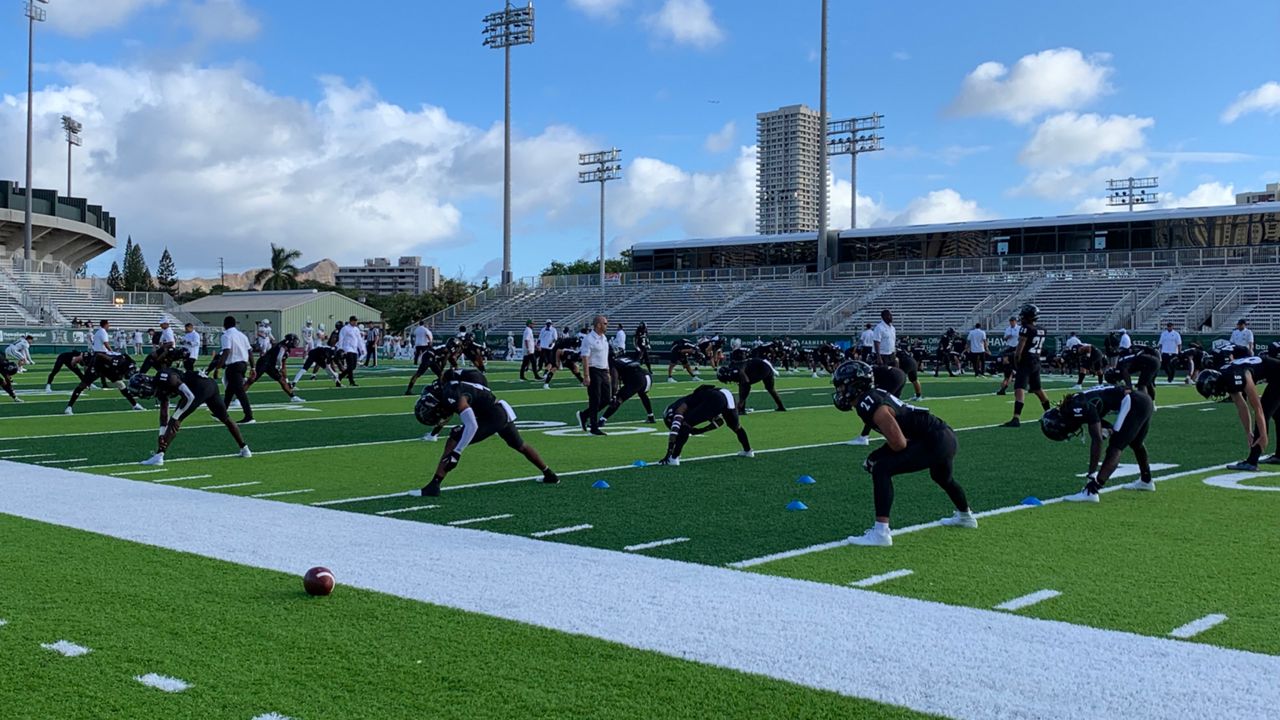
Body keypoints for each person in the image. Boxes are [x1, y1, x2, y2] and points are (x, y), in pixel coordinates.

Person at [831, 361, 976, 547]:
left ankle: (881, 533)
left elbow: (899, 443)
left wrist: (876, 455)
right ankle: (965, 516)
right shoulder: (872, 397)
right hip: (944, 435)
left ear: (855, 385)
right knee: (942, 477)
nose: (841, 391)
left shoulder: (868, 402)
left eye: (842, 386)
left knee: (881, 469)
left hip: (934, 439)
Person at [411, 377, 559, 496]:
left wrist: (457, 452)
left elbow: (472, 425)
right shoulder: (450, 389)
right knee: (520, 445)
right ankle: (550, 474)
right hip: (499, 411)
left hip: (492, 415)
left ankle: (434, 485)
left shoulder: (452, 395)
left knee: (454, 438)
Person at [1041, 384, 1157, 502]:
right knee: (1136, 442)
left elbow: (1097, 440)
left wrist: (1091, 474)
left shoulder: (1078, 407)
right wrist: (1108, 429)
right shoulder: (1076, 403)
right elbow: (1100, 417)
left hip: (1134, 402)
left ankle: (1091, 491)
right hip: (1143, 400)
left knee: (1115, 447)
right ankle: (1146, 480)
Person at [131, 368, 251, 466]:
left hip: (199, 388)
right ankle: (245, 449)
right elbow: (163, 413)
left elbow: (189, 396)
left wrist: (176, 418)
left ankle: (159, 456)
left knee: (176, 420)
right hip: (209, 386)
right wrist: (161, 435)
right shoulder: (160, 386)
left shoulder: (166, 378)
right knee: (225, 418)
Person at [1196, 352, 1279, 470]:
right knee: (1278, 415)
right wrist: (1248, 432)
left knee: (1265, 411)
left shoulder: (1238, 374)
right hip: (1274, 374)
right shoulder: (1225, 376)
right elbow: (1242, 407)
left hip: (1277, 373)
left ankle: (1252, 461)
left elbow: (1258, 408)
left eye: (1214, 391)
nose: (1216, 393)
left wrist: (1263, 435)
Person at [656, 384, 753, 466]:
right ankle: (748, 451)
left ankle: (674, 458)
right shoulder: (699, 402)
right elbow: (719, 422)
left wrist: (669, 452)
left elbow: (675, 429)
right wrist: (701, 430)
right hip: (727, 395)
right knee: (736, 427)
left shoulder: (679, 408)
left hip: (716, 398)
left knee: (686, 425)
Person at [1002, 304, 1053, 428]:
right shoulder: (1042, 329)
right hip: (1036, 360)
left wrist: (1016, 360)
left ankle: (1016, 418)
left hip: (1026, 361)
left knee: (1019, 388)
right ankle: (1049, 413)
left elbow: (1021, 347)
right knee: (1037, 389)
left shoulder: (1026, 328)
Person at [206, 315, 255, 425]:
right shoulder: (242, 335)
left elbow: (226, 351)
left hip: (234, 366)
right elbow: (250, 352)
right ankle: (220, 413)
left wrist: (218, 367)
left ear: (224, 325)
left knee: (240, 392)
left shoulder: (226, 335)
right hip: (243, 364)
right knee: (229, 391)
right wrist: (253, 367)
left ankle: (249, 416)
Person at [848, 364, 909, 446]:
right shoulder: (867, 368)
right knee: (893, 407)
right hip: (900, 374)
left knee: (875, 408)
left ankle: (864, 436)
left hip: (893, 377)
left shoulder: (864, 373)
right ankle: (902, 433)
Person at [65, 353, 143, 415]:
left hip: (109, 369)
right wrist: (90, 368)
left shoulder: (130, 364)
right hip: (97, 366)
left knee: (121, 384)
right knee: (83, 385)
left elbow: (126, 356)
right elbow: (99, 355)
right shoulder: (116, 362)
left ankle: (135, 405)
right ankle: (69, 407)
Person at [576, 315, 611, 436]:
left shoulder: (604, 338)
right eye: (605, 323)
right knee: (595, 399)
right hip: (593, 369)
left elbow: (604, 355)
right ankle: (593, 427)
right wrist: (586, 375)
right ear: (598, 325)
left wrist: (607, 370)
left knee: (607, 399)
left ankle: (584, 415)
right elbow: (585, 357)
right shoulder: (589, 339)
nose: (607, 325)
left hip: (603, 370)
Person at [244, 334, 305, 402]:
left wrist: (287, 380)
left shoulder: (287, 349)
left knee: (282, 380)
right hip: (264, 363)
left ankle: (293, 397)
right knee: (252, 380)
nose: (295, 343)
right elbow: (279, 357)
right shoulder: (283, 346)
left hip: (271, 365)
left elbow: (283, 365)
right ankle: (238, 398)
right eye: (294, 341)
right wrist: (279, 366)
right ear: (289, 341)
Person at [601, 351, 655, 425]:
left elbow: (615, 381)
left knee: (618, 398)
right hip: (647, 376)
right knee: (643, 394)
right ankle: (651, 416)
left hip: (637, 379)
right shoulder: (624, 357)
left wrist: (613, 393)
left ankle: (602, 420)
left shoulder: (612, 363)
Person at [716, 356, 785, 413]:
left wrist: (741, 402)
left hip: (761, 368)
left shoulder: (737, 371)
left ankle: (741, 409)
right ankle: (781, 406)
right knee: (770, 388)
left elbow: (746, 383)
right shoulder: (734, 369)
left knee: (743, 385)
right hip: (765, 367)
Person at [337, 316, 365, 386]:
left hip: (354, 349)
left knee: (353, 366)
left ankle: (340, 376)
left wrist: (361, 348)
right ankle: (351, 381)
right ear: (351, 321)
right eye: (354, 321)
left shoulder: (356, 329)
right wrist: (341, 348)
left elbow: (359, 340)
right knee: (350, 366)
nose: (355, 322)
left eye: (356, 321)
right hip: (347, 349)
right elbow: (341, 338)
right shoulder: (345, 328)